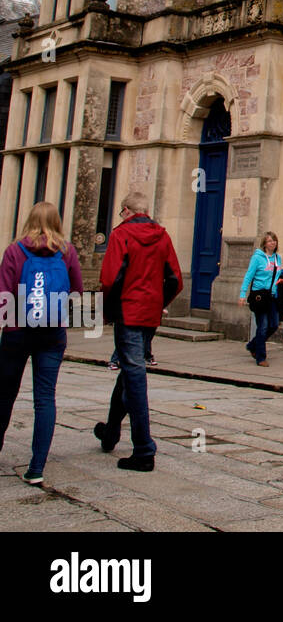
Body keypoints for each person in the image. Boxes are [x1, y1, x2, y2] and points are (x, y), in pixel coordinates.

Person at [94, 192, 182, 472]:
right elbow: (175, 279)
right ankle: (110, 432)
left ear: (125, 211)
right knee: (129, 370)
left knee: (134, 375)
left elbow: (110, 278)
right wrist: (159, 303)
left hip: (129, 312)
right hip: (149, 314)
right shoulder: (163, 236)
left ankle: (144, 449)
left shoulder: (121, 235)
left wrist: (109, 311)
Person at [0, 202, 83, 485]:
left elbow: (4, 293)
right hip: (52, 332)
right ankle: (36, 467)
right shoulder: (67, 251)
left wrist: (9, 324)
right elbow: (77, 292)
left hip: (18, 330)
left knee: (5, 394)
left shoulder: (14, 250)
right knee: (45, 398)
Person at [238, 231, 283, 367]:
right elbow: (249, 276)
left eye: (274, 241)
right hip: (259, 295)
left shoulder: (277, 258)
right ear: (264, 244)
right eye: (270, 241)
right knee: (263, 326)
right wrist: (242, 294)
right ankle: (261, 357)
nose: (273, 243)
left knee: (274, 324)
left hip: (271, 296)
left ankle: (253, 345)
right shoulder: (257, 258)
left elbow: (277, 275)